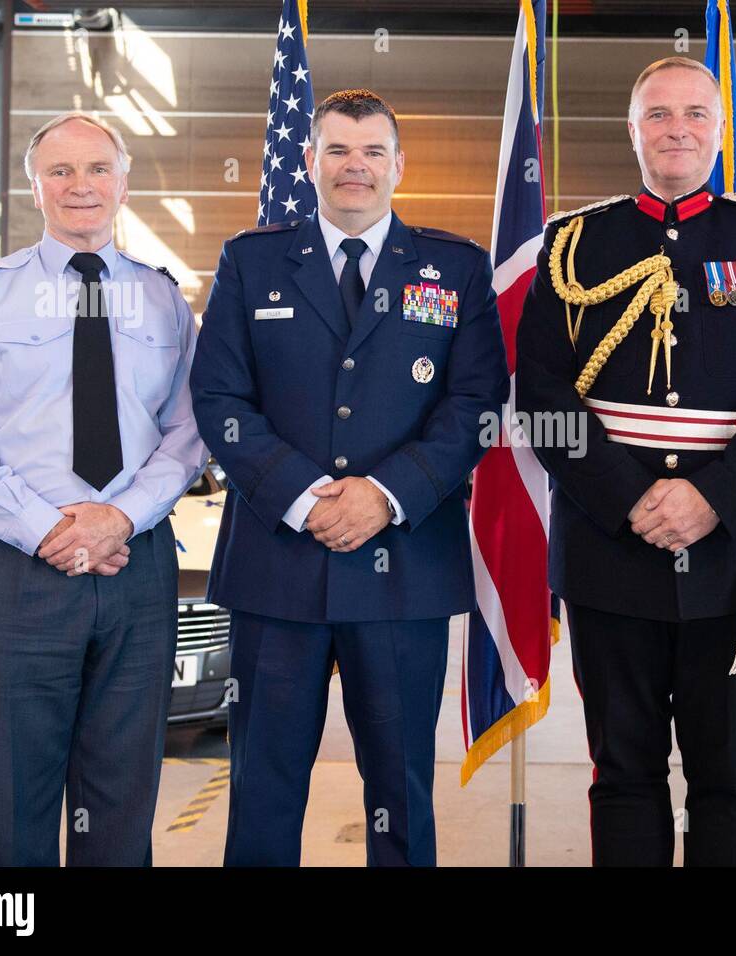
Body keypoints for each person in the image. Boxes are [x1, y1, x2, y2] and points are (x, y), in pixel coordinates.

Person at [515, 57, 736, 866]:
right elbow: (544, 398)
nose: (678, 128)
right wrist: (631, 498)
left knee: (728, 776)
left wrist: (712, 498)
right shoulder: (571, 243)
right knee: (623, 772)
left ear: (720, 131)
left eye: (695, 112)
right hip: (608, 552)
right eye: (658, 114)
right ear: (633, 131)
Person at [190, 89, 508, 867]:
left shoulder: (456, 267)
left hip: (404, 567)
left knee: (399, 786)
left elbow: (475, 403)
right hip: (277, 567)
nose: (354, 167)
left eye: (372, 152)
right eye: (337, 150)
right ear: (310, 163)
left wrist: (384, 494)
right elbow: (219, 396)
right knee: (263, 784)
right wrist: (304, 497)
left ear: (399, 166)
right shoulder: (252, 260)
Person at [0, 111, 208, 866]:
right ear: (34, 186)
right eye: (61, 171)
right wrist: (52, 530)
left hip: (136, 565)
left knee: (123, 798)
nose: (81, 186)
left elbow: (188, 434)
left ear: (124, 182)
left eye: (98, 169)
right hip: (18, 569)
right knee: (14, 801)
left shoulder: (163, 299)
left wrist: (118, 519)